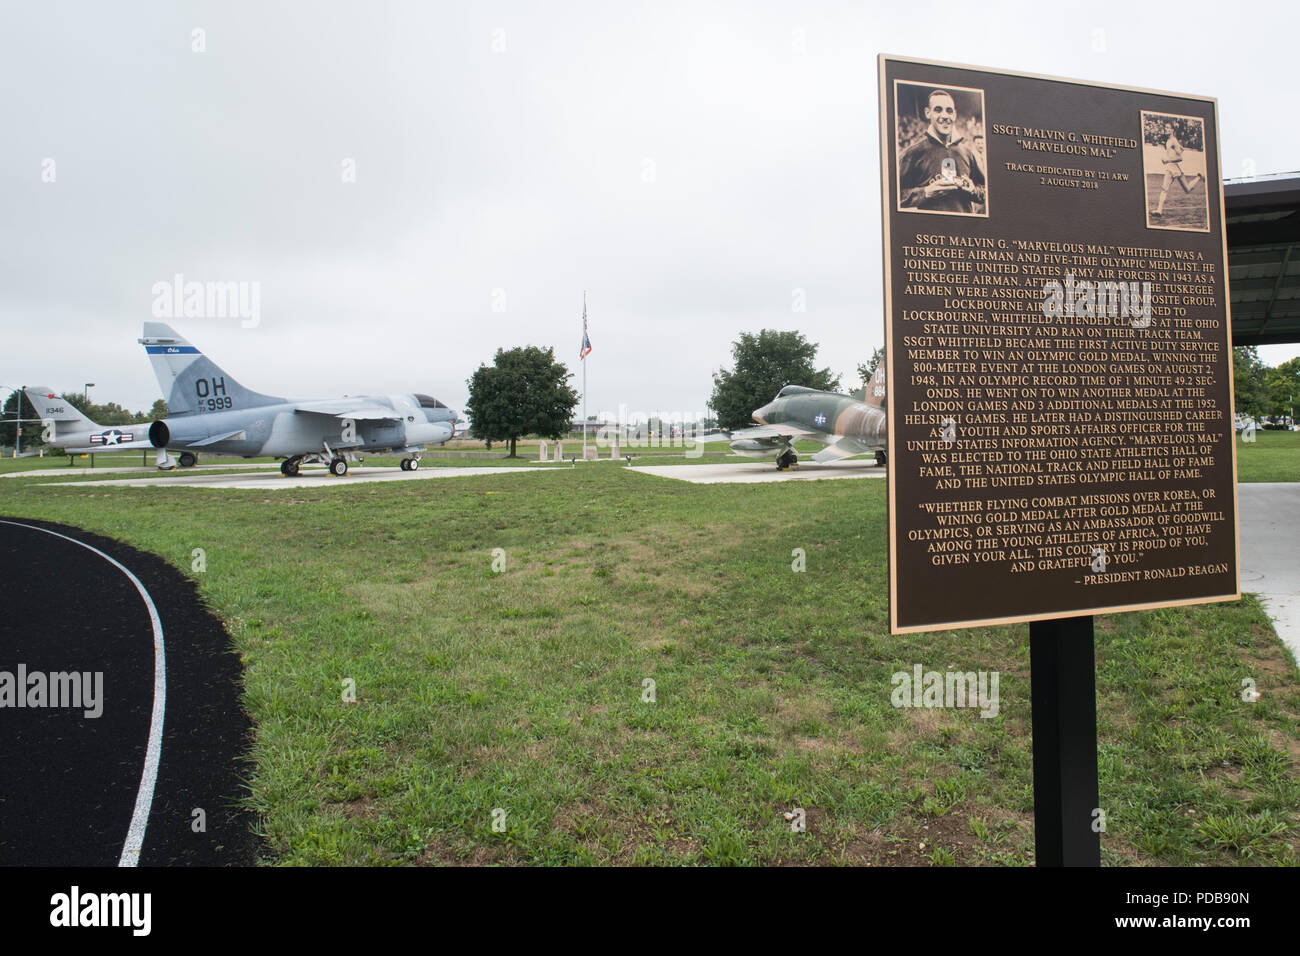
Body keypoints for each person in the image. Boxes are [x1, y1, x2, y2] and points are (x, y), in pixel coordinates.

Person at [898, 89, 986, 214]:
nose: (944, 116)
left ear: (954, 115)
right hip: (929, 230)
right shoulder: (913, 153)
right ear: (928, 113)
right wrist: (925, 193)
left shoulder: (967, 152)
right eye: (938, 110)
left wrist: (972, 190)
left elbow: (984, 190)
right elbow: (892, 195)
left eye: (949, 111)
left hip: (964, 230)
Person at [1152, 122, 1204, 217]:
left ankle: (1199, 177)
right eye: (1165, 127)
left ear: (1172, 130)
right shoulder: (1170, 140)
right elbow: (1179, 151)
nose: (1165, 129)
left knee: (1179, 189)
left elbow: (1180, 158)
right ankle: (1159, 210)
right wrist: (1179, 149)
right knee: (1171, 189)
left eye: (1168, 128)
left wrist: (1167, 160)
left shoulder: (1173, 140)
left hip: (1173, 167)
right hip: (1171, 168)